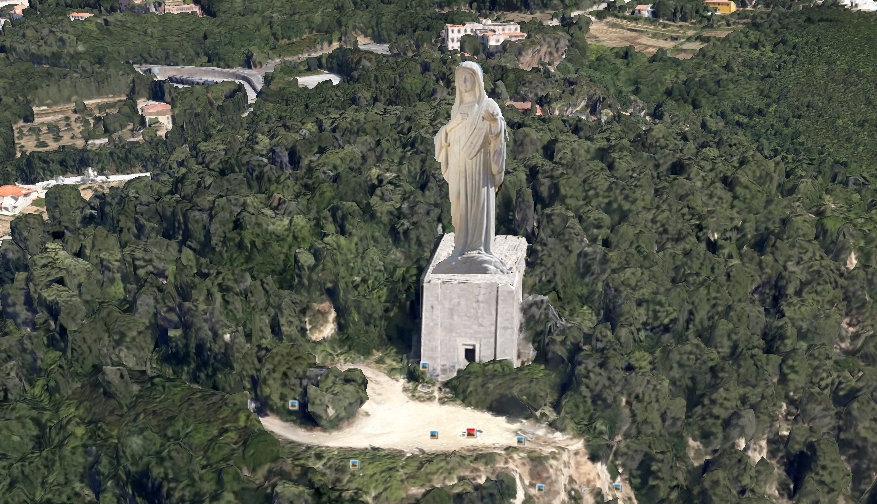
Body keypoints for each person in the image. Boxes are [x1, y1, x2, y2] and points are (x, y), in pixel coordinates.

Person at [433, 61, 510, 274]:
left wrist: (494, 124)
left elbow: (498, 133)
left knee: (477, 205)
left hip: (479, 167)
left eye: (468, 77)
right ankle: (461, 248)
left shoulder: (488, 105)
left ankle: (478, 250)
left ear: (477, 81)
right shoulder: (456, 108)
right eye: (461, 78)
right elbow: (445, 136)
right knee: (458, 206)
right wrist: (450, 128)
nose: (464, 82)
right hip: (458, 165)